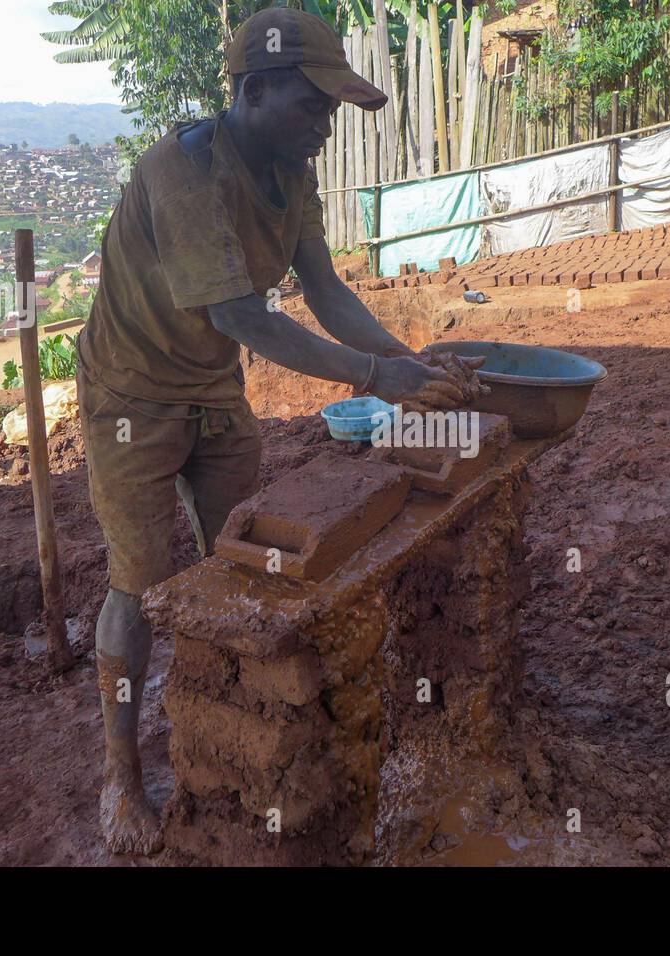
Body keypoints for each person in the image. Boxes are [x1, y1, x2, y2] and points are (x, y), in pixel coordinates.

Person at [75, 6, 476, 854]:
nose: (325, 127)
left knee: (239, 556)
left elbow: (324, 291)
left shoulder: (292, 172)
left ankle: (225, 719)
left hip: (211, 387)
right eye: (312, 106)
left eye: (331, 111)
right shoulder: (184, 174)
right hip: (131, 399)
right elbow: (242, 316)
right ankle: (119, 774)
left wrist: (409, 362)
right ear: (253, 91)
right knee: (137, 585)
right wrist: (377, 377)